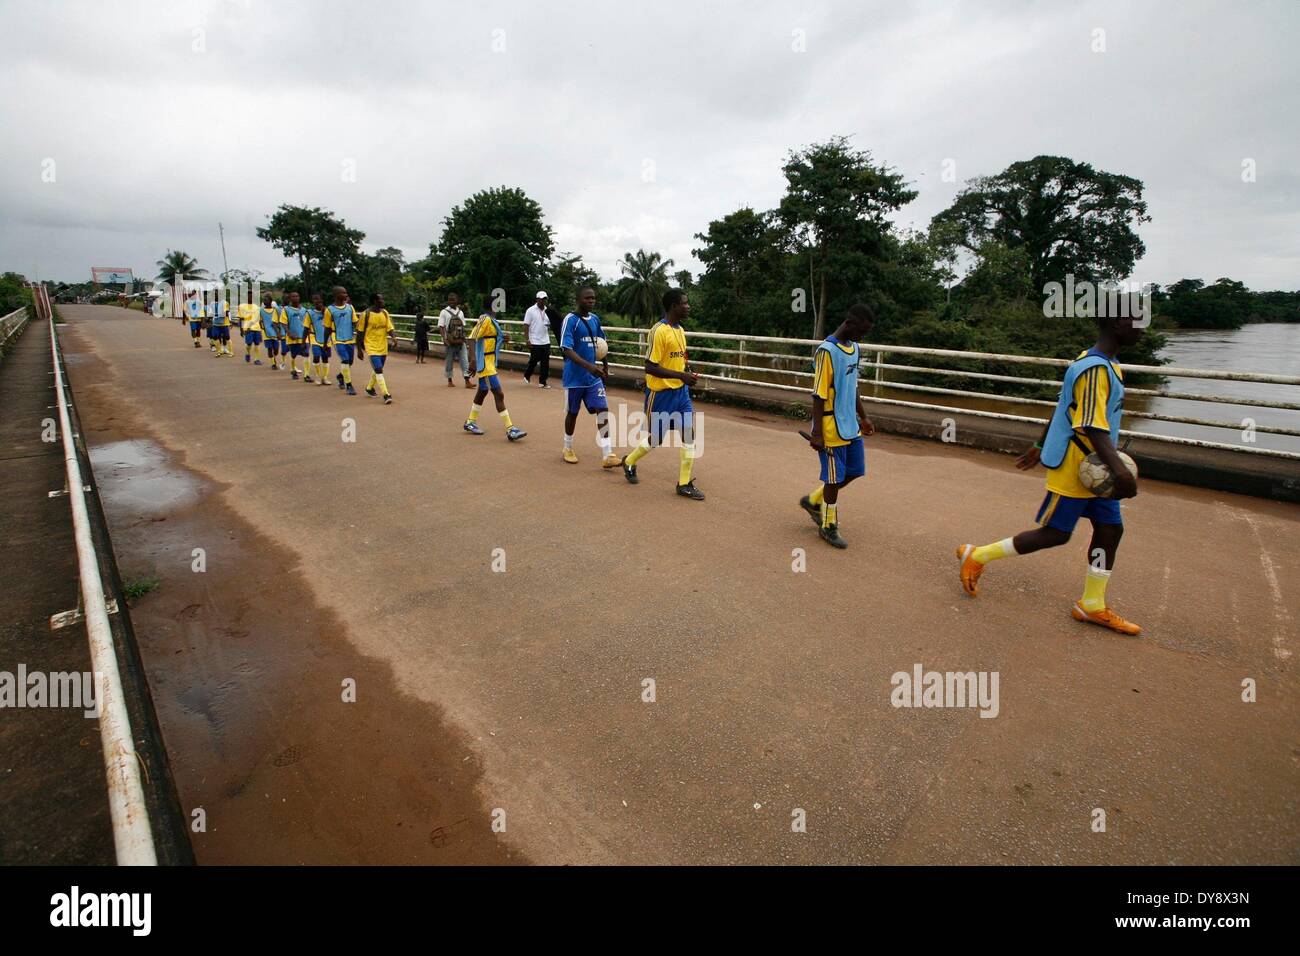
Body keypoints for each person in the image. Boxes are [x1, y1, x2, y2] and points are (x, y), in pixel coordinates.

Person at [956, 311, 1144, 636]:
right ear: (1116, 323)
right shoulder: (1095, 369)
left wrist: (1039, 444)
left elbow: (1063, 408)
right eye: (1137, 322)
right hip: (1080, 468)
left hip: (1097, 470)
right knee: (1056, 534)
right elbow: (1089, 424)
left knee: (1110, 530)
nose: (1143, 329)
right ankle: (978, 555)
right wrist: (1120, 472)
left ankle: (1092, 604)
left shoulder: (1105, 364)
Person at [799, 304, 876, 547]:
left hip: (850, 424)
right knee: (833, 479)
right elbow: (818, 394)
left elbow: (853, 386)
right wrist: (817, 432)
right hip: (830, 426)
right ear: (849, 322)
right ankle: (828, 525)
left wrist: (863, 417)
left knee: (854, 470)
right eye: (861, 331)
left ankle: (813, 500)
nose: (862, 336)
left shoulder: (854, 348)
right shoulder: (827, 351)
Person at [620, 288, 704, 498]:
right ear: (674, 306)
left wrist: (688, 374)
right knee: (656, 439)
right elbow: (650, 366)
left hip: (680, 394)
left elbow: (681, 357)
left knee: (689, 433)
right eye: (684, 303)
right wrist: (681, 376)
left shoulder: (680, 330)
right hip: (661, 394)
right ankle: (629, 461)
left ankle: (683, 484)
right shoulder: (659, 331)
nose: (688, 306)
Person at [560, 287, 618, 467]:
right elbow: (566, 349)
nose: (591, 301)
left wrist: (605, 365)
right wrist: (589, 366)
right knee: (572, 413)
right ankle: (567, 447)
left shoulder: (595, 320)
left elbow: (601, 344)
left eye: (593, 298)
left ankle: (607, 454)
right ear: (578, 299)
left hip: (593, 379)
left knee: (603, 411)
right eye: (587, 298)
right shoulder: (570, 320)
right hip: (574, 378)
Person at [464, 296, 525, 441]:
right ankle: (510, 429)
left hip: (489, 362)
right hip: (485, 364)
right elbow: (471, 338)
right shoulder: (485, 319)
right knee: (499, 393)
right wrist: (473, 359)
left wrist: (502, 339)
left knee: (483, 391)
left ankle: (470, 422)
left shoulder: (492, 320)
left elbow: (489, 339)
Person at [358, 291, 397, 405]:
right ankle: (386, 394)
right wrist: (359, 349)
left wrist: (394, 337)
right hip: (371, 346)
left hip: (383, 346)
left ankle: (369, 388)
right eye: (381, 299)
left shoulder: (385, 313)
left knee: (377, 369)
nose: (383, 301)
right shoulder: (366, 314)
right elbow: (360, 333)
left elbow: (389, 328)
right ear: (375, 301)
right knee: (379, 369)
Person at [324, 286, 360, 395]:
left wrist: (362, 331)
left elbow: (355, 323)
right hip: (337, 339)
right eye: (343, 293)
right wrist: (325, 343)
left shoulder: (350, 308)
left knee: (350, 362)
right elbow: (327, 328)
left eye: (346, 292)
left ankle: (340, 376)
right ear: (336, 295)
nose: (346, 294)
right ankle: (349, 385)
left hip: (349, 338)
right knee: (345, 360)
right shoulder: (329, 310)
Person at [439, 292, 471, 387]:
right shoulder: (444, 312)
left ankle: (467, 381)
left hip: (460, 341)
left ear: (457, 301)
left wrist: (464, 339)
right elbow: (441, 326)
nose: (451, 301)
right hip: (450, 341)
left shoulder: (461, 312)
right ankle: (450, 380)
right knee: (449, 361)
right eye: (450, 300)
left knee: (465, 360)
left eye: (453, 300)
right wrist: (445, 339)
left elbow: (463, 326)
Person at [523, 291, 553, 387]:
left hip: (545, 340)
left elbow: (550, 324)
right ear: (537, 299)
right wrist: (527, 340)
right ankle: (527, 374)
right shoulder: (530, 310)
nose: (543, 301)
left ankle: (542, 382)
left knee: (545, 363)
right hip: (534, 340)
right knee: (534, 360)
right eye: (541, 299)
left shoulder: (548, 310)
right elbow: (526, 325)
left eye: (545, 299)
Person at [281, 291, 311, 380]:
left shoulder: (304, 310)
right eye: (293, 296)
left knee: (306, 354)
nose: (295, 298)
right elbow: (283, 323)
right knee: (293, 355)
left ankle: (306, 375)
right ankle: (293, 371)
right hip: (292, 337)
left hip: (303, 337)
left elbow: (307, 322)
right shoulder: (286, 310)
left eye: (297, 296)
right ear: (290, 299)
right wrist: (289, 333)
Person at [306, 291, 331, 385]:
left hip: (326, 339)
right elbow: (306, 327)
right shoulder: (310, 313)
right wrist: (304, 341)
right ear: (312, 301)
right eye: (314, 299)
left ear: (322, 300)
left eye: (318, 299)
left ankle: (325, 377)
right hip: (314, 338)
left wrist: (325, 311)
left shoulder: (327, 311)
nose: (317, 301)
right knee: (316, 356)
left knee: (325, 358)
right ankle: (317, 376)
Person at [259, 292, 285, 370]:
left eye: (266, 300)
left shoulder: (275, 310)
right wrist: (262, 329)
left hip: (275, 332)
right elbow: (260, 321)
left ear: (271, 301)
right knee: (270, 348)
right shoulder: (261, 310)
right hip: (266, 332)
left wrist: (279, 329)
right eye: (263, 300)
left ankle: (274, 357)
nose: (264, 301)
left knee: (276, 349)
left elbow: (279, 320)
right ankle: (273, 363)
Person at [239, 291, 262, 364]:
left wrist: (261, 330)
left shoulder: (257, 307)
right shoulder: (242, 306)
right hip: (247, 328)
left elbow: (259, 319)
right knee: (248, 344)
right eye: (249, 296)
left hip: (257, 328)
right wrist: (241, 329)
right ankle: (248, 353)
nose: (250, 297)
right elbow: (240, 319)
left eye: (252, 296)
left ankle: (257, 359)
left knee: (257, 344)